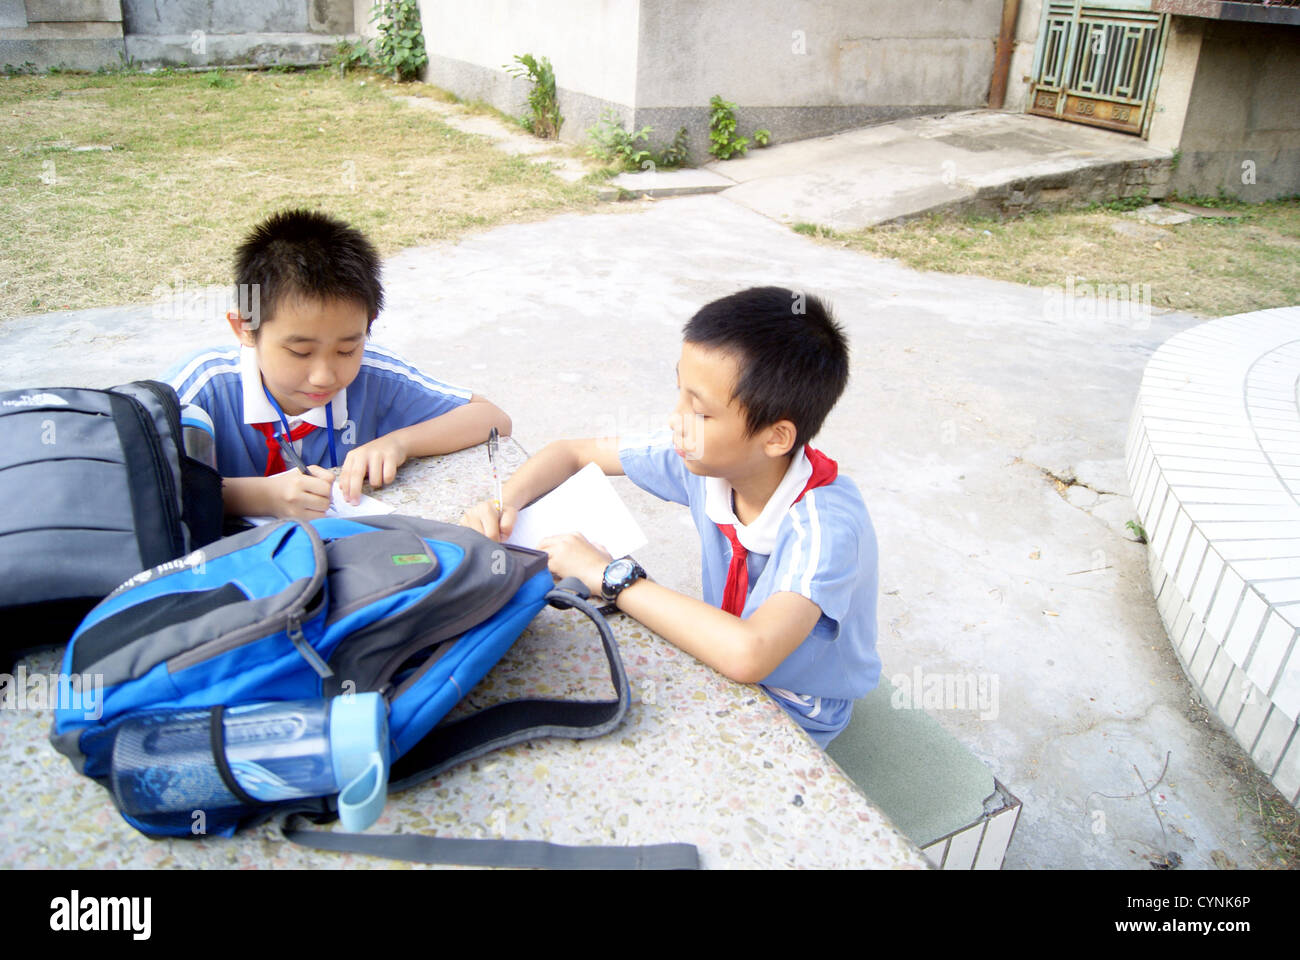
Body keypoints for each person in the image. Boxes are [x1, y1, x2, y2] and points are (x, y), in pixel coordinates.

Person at [462, 287, 879, 747]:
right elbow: (572, 452)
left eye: (699, 411)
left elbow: (748, 655)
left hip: (795, 706)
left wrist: (609, 575)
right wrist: (505, 504)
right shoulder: (704, 459)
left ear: (776, 437)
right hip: (723, 660)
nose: (676, 419)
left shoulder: (823, 528)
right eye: (679, 392)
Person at [167, 209, 511, 519]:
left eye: (347, 349)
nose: (324, 376)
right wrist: (253, 496)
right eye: (300, 352)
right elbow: (128, 483)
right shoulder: (204, 386)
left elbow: (492, 419)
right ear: (245, 327)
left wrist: (399, 443)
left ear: (369, 324)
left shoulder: (376, 377)